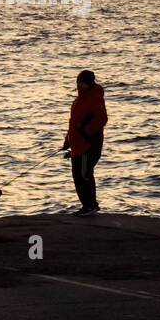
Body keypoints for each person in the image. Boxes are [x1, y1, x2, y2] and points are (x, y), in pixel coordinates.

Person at [62, 70, 108, 216]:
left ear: (89, 84)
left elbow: (102, 119)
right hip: (77, 145)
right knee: (77, 176)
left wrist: (85, 133)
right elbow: (73, 123)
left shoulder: (95, 99)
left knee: (84, 175)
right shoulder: (78, 100)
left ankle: (90, 206)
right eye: (78, 82)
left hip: (88, 145)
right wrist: (68, 140)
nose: (79, 85)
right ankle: (86, 206)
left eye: (82, 83)